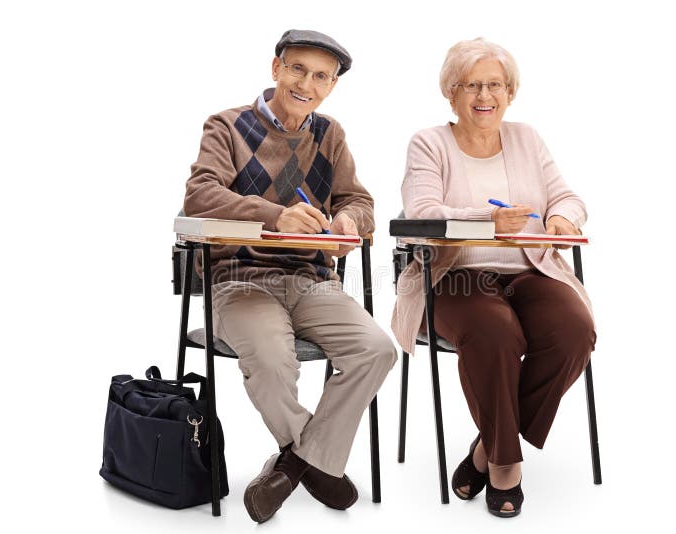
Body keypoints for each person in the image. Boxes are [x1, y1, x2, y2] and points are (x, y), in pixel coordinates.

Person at [183, 29, 396, 523]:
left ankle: (294, 465)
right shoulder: (227, 125)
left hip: (312, 281)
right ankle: (319, 465)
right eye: (298, 69)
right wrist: (273, 217)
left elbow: (358, 200)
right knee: (275, 360)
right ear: (276, 68)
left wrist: (350, 222)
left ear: (331, 86)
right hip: (240, 278)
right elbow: (200, 196)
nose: (307, 83)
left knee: (377, 349)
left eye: (321, 76)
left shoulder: (330, 134)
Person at [391, 38, 596, 518]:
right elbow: (422, 213)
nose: (485, 96)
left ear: (510, 92)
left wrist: (565, 218)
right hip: (457, 273)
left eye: (495, 85)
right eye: (472, 85)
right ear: (451, 93)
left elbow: (567, 197)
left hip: (530, 267)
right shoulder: (429, 142)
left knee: (573, 330)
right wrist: (485, 220)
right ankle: (504, 463)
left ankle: (484, 448)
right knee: (494, 330)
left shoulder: (526, 138)